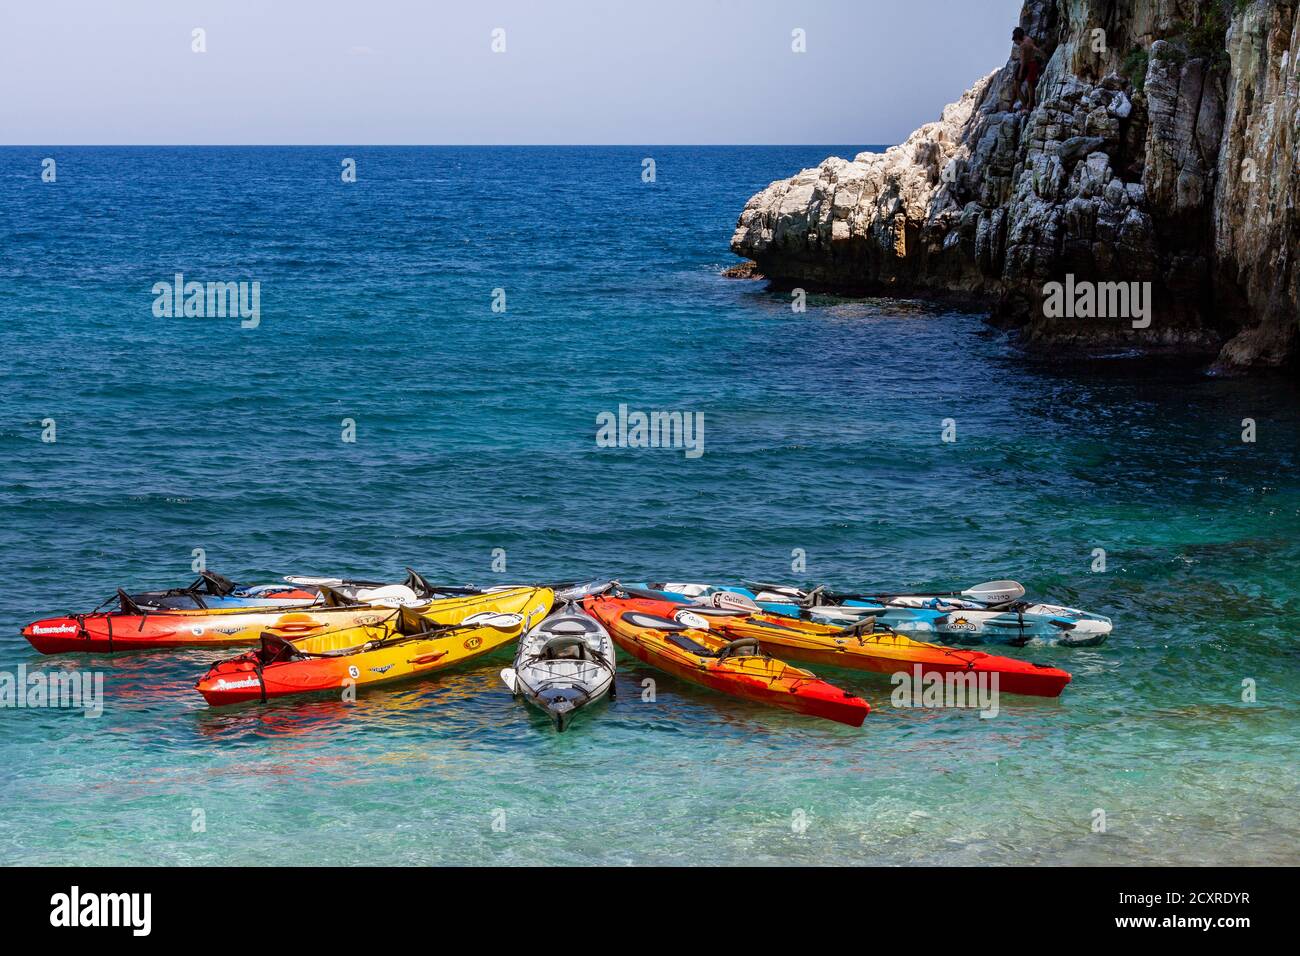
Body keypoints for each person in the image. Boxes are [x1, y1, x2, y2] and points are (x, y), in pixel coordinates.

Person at [1012, 27, 1041, 113]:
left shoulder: (1022, 46)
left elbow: (1023, 61)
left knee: (1018, 87)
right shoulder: (1028, 39)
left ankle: (1026, 106)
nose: (1015, 42)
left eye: (1015, 39)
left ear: (1017, 38)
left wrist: (1020, 72)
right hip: (1033, 63)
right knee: (1030, 85)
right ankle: (1029, 105)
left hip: (1026, 65)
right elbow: (1035, 49)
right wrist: (1043, 54)